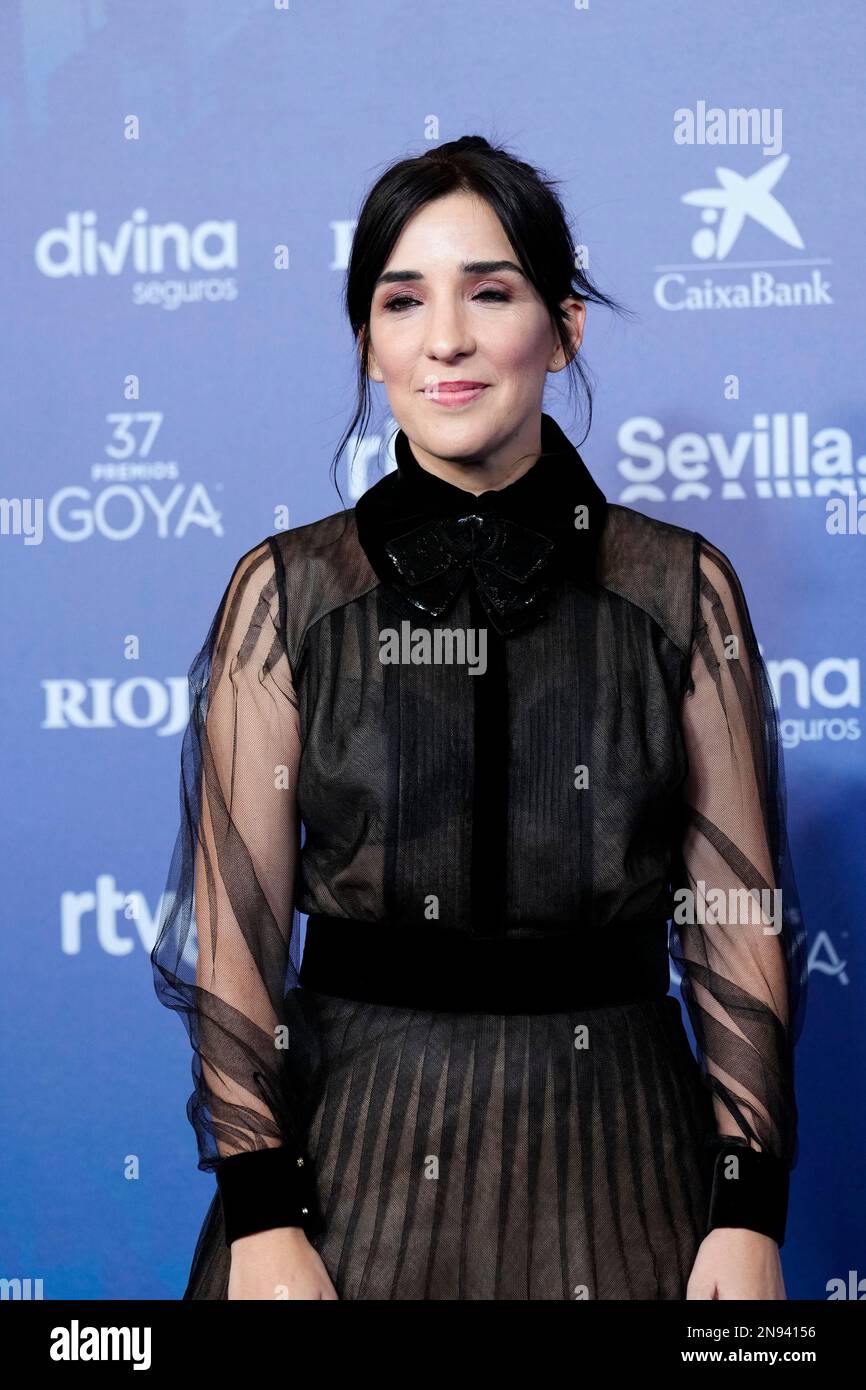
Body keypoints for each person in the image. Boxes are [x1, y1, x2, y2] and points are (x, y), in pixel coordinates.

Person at [150, 135, 807, 1301]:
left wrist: (748, 1205)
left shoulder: (674, 588)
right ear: (369, 341)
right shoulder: (290, 593)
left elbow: (734, 916)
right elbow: (238, 932)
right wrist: (259, 1210)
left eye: (487, 293)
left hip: (628, 1162)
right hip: (347, 1163)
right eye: (401, 301)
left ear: (562, 328)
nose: (442, 338)